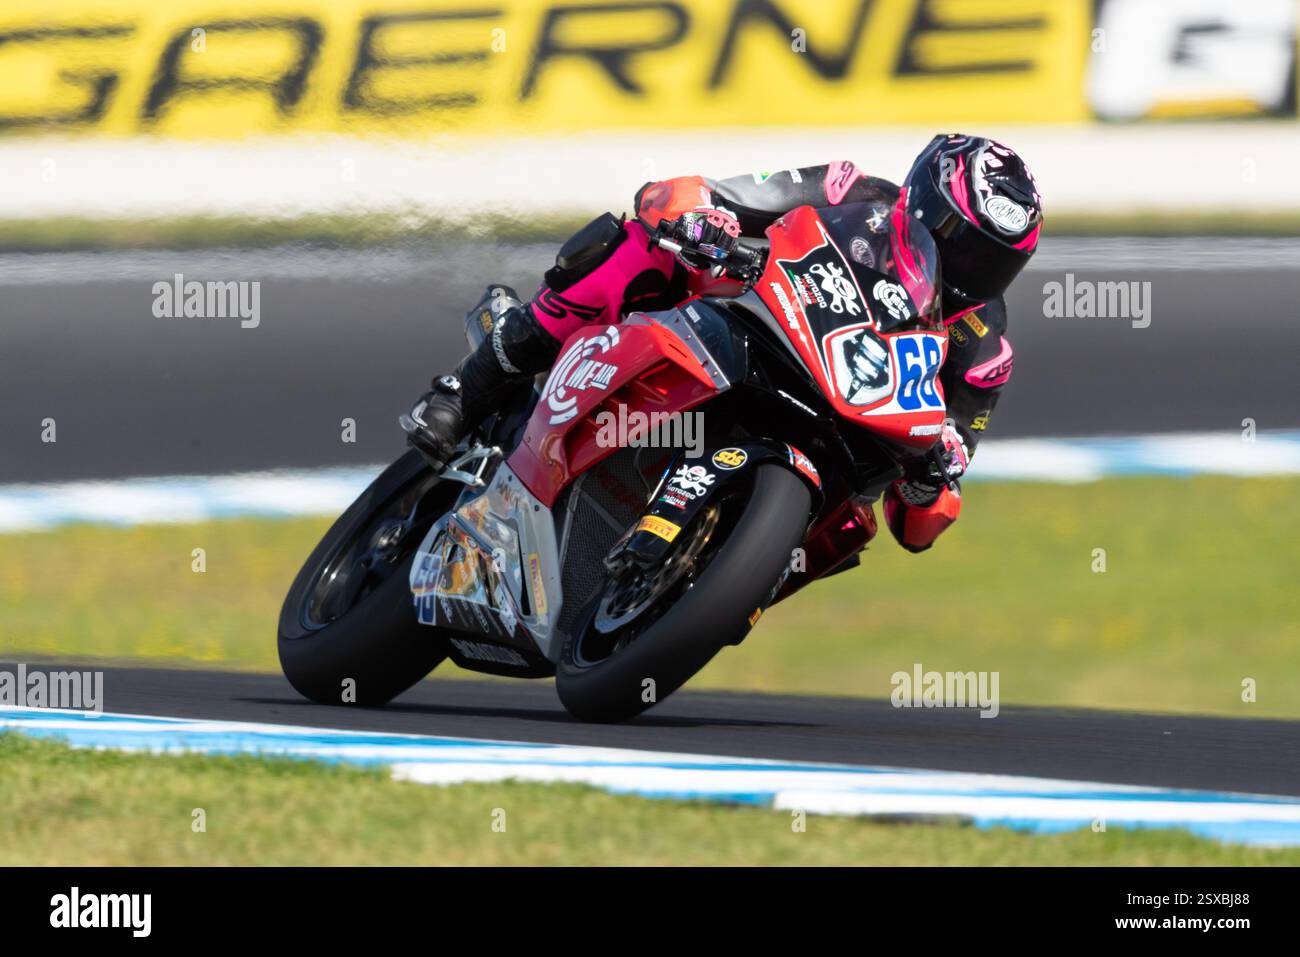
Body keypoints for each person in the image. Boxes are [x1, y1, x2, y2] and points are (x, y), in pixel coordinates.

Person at [403, 134, 1042, 553]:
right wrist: (706, 223)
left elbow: (920, 523)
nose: (968, 271)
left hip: (837, 425)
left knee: (850, 530)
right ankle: (473, 383)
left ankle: (706, 583)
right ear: (926, 201)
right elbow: (702, 195)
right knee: (642, 250)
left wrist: (938, 482)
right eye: (961, 242)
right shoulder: (853, 192)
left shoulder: (984, 348)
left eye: (992, 264)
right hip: (762, 334)